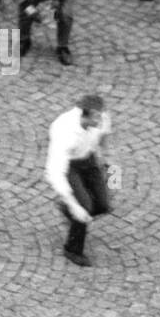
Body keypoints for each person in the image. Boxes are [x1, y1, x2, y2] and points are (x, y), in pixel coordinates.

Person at [46, 95, 112, 267]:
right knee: (84, 207)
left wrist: (105, 161)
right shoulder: (64, 131)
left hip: (88, 158)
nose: (101, 120)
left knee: (104, 205)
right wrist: (74, 205)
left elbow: (104, 134)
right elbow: (55, 173)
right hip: (71, 165)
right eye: (96, 118)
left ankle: (69, 211)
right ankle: (72, 249)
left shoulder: (101, 117)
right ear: (85, 116)